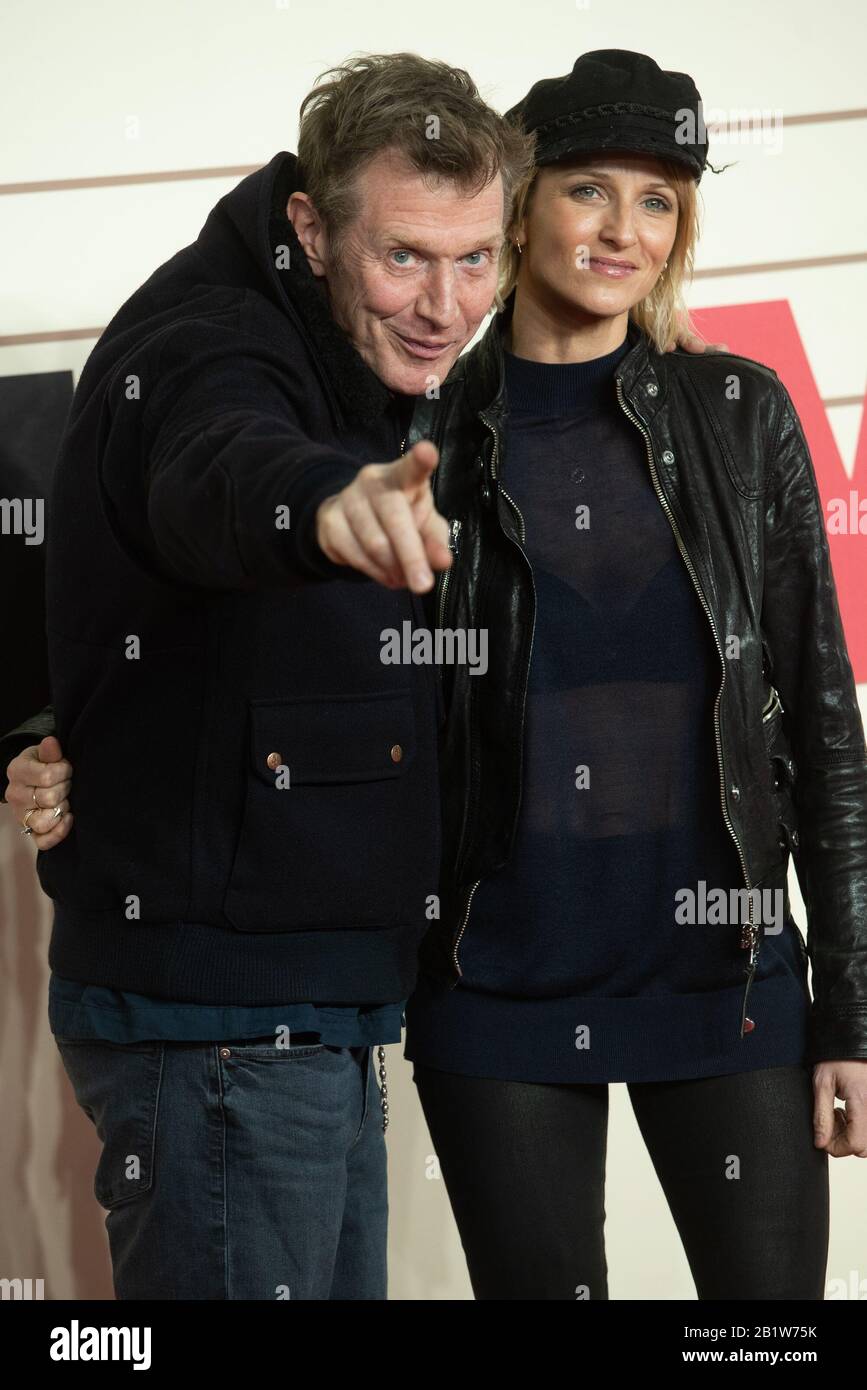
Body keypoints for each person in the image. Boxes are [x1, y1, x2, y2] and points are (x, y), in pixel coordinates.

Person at [1, 52, 720, 1301]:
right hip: (218, 1031)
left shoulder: (370, 352)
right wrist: (321, 509)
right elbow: (217, 461)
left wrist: (33, 716)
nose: (445, 305)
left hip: (310, 1013)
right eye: (403, 258)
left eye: (475, 258)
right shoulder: (214, 341)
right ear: (311, 229)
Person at [399, 50, 867, 1299]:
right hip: (498, 984)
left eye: (658, 200)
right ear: (518, 198)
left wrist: (854, 1014)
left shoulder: (741, 411)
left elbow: (826, 730)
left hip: (728, 984)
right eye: (589, 189)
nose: (623, 229)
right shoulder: (425, 431)